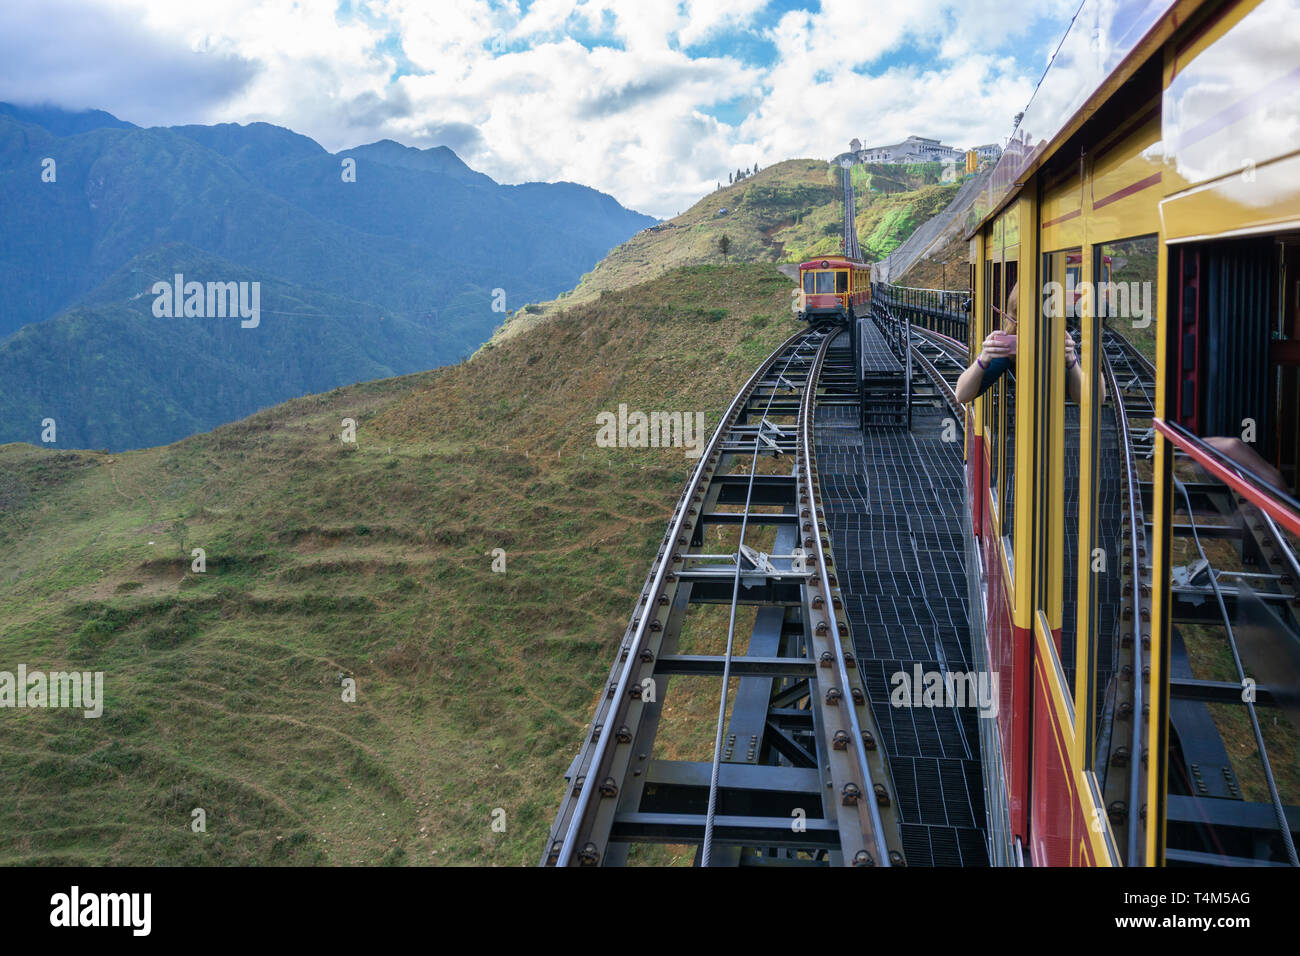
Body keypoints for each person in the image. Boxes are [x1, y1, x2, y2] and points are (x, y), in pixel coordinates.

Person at [954, 281, 1096, 405]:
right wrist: (982, 360)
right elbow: (961, 395)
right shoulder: (1010, 347)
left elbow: (1094, 398)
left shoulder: (1064, 344)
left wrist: (1071, 361)